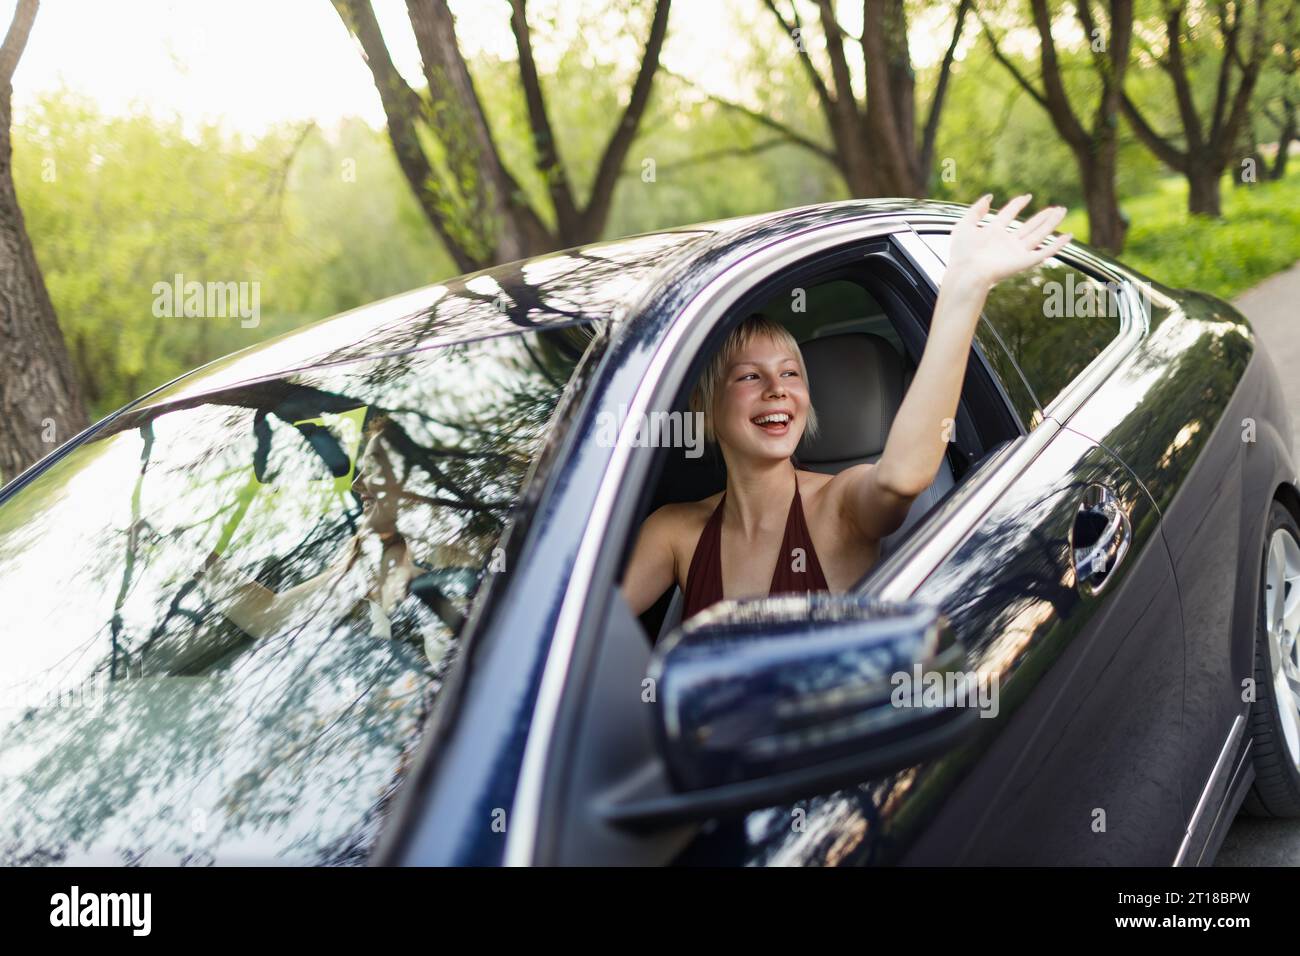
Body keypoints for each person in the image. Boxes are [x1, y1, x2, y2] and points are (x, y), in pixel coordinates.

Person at [620, 194, 1070, 622]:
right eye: (749, 376)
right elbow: (573, 633)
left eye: (791, 373)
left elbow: (900, 479)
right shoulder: (674, 531)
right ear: (704, 405)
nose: (777, 389)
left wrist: (964, 290)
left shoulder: (838, 505)